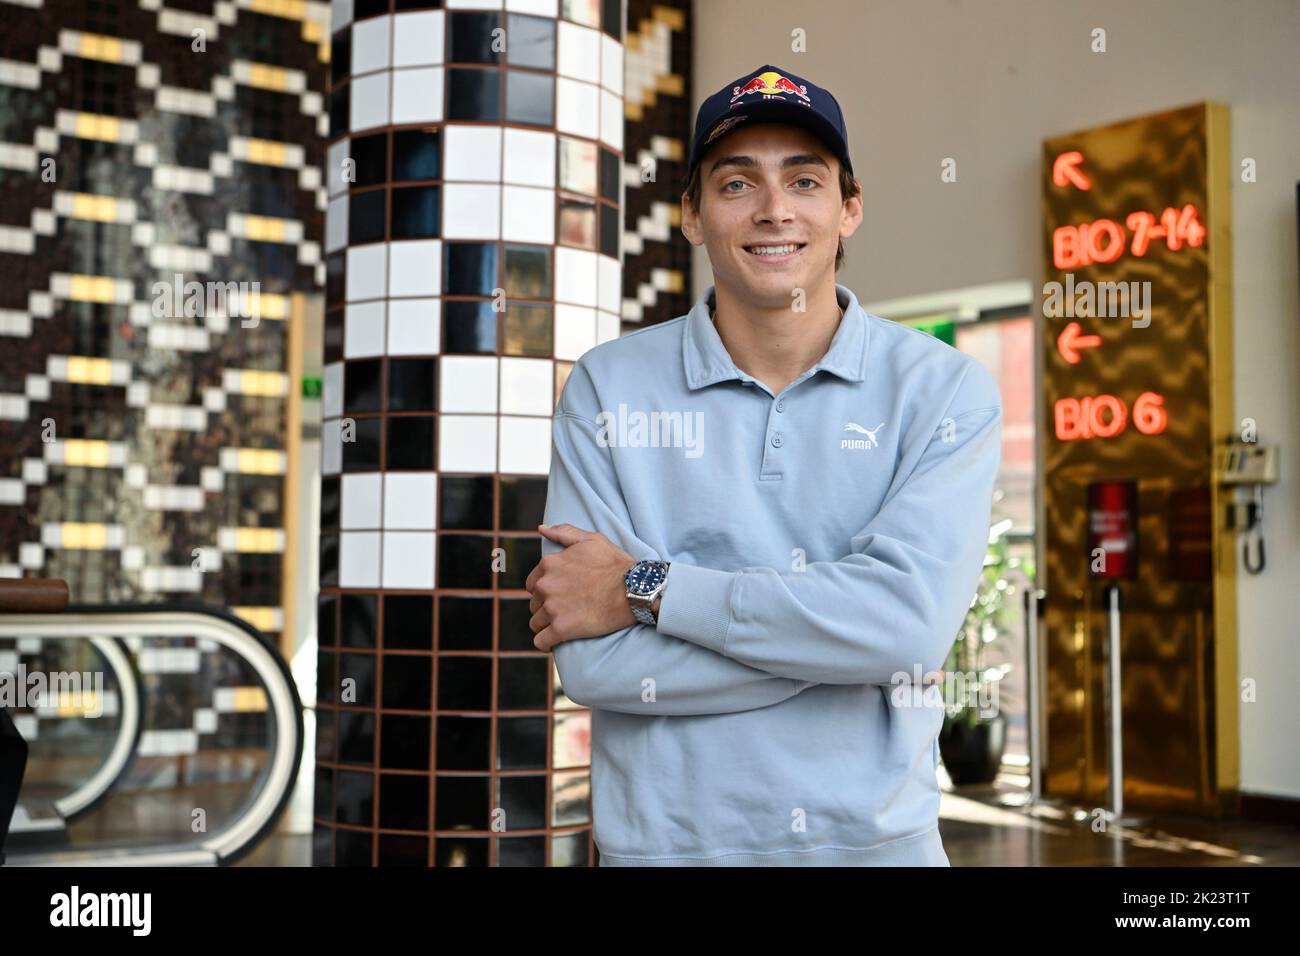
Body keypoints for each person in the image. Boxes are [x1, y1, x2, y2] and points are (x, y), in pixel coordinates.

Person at [524, 63, 1003, 866]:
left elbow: (906, 631)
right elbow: (595, 664)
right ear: (691, 214)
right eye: (737, 182)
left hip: (876, 848)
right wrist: (840, 649)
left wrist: (646, 587)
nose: (774, 209)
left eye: (805, 180)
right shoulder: (609, 386)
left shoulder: (941, 389)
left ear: (849, 208)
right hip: (662, 849)